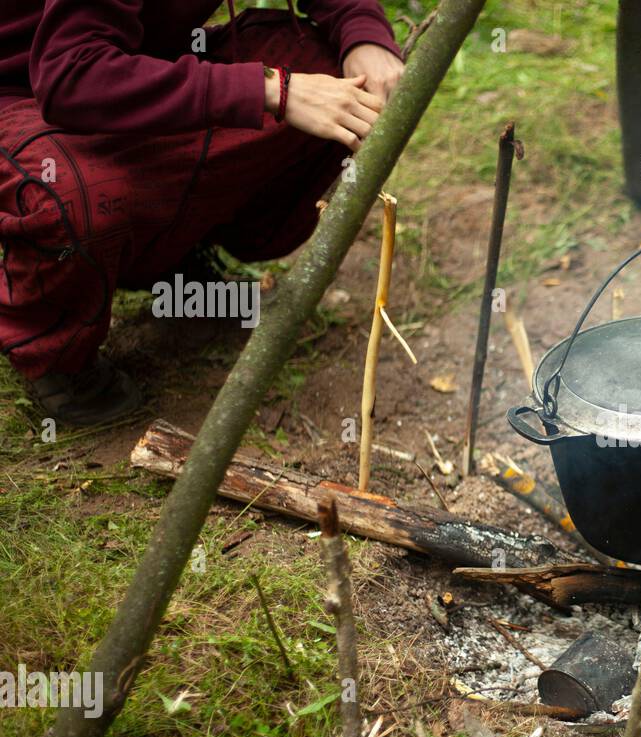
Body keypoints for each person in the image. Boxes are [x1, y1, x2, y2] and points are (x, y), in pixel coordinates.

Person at [0, 1, 405, 426]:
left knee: (331, 72)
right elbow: (70, 75)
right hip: (22, 93)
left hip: (136, 63)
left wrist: (364, 35)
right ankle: (56, 346)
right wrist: (273, 90)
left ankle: (172, 251)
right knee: (76, 193)